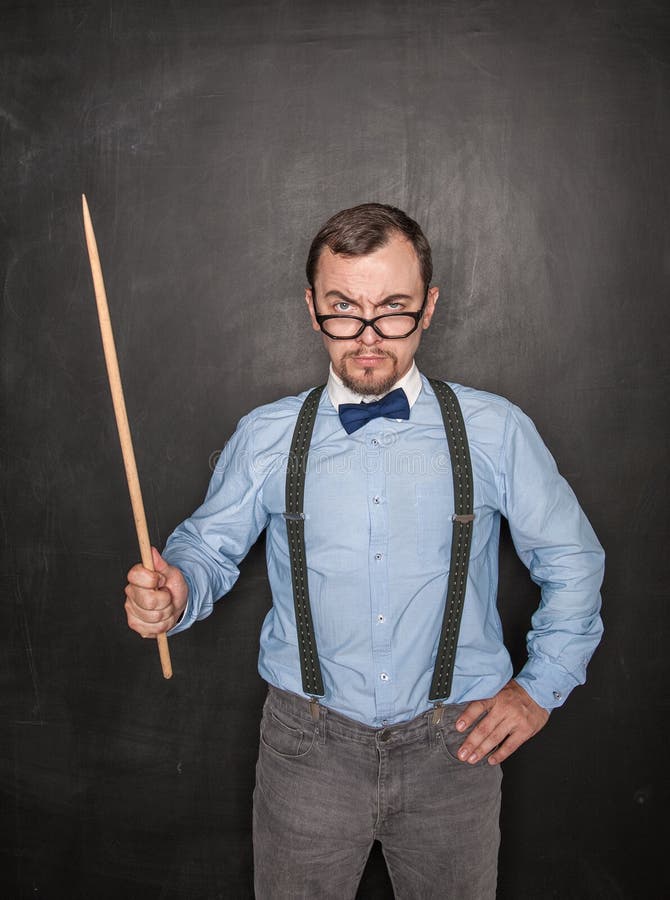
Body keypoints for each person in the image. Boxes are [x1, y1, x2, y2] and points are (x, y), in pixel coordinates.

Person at [124, 203, 604, 900]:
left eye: (394, 309)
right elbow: (205, 549)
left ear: (429, 306)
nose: (369, 335)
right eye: (345, 308)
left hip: (456, 749)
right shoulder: (265, 437)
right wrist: (176, 592)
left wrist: (539, 688)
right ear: (312, 308)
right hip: (305, 750)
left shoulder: (495, 431)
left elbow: (573, 560)